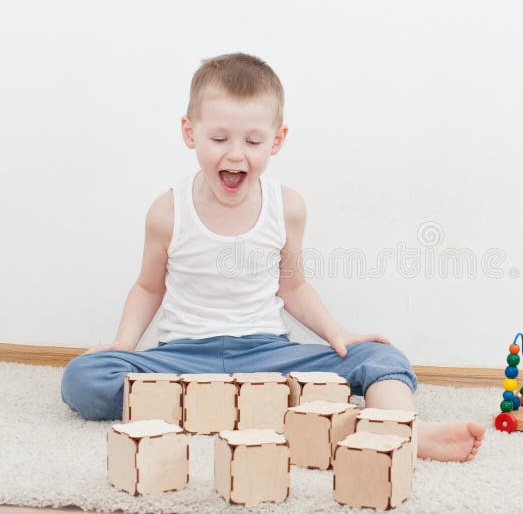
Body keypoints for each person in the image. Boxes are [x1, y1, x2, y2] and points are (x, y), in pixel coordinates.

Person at [60, 53, 485, 461]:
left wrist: (336, 333)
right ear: (190, 133)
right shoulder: (167, 211)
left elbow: (293, 286)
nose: (235, 153)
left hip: (266, 355)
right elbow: (149, 286)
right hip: (184, 359)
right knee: (84, 376)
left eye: (253, 141)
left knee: (383, 358)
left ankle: (400, 432)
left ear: (277, 140)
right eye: (219, 139)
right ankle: (285, 412)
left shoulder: (287, 206)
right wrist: (124, 343)